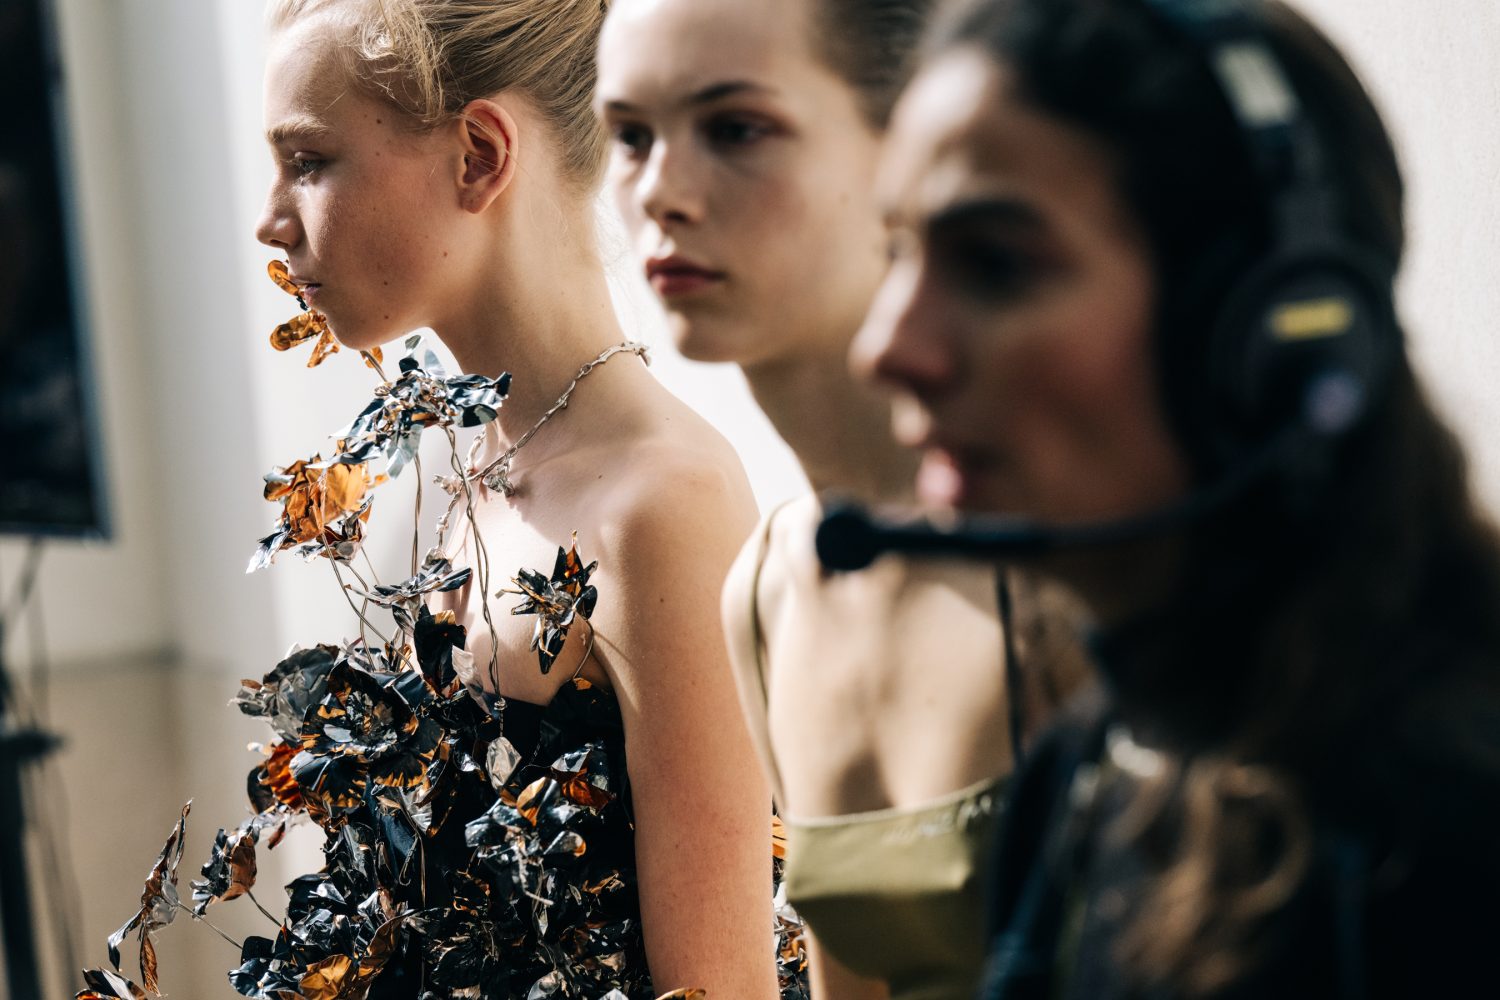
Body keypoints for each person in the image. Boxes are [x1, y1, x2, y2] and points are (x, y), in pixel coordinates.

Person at [855, 0, 1500, 995]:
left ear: (1271, 336)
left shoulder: (1451, 823)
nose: (887, 346)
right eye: (897, 251)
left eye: (992, 262)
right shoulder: (1083, 771)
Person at [255, 0, 786, 995]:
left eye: (309, 161)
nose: (270, 219)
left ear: (478, 156)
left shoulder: (665, 505)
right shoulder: (454, 469)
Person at [597, 2, 1087, 997]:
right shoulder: (770, 590)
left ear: (908, 146)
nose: (661, 190)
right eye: (631, 135)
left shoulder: (1068, 555)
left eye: (735, 129)